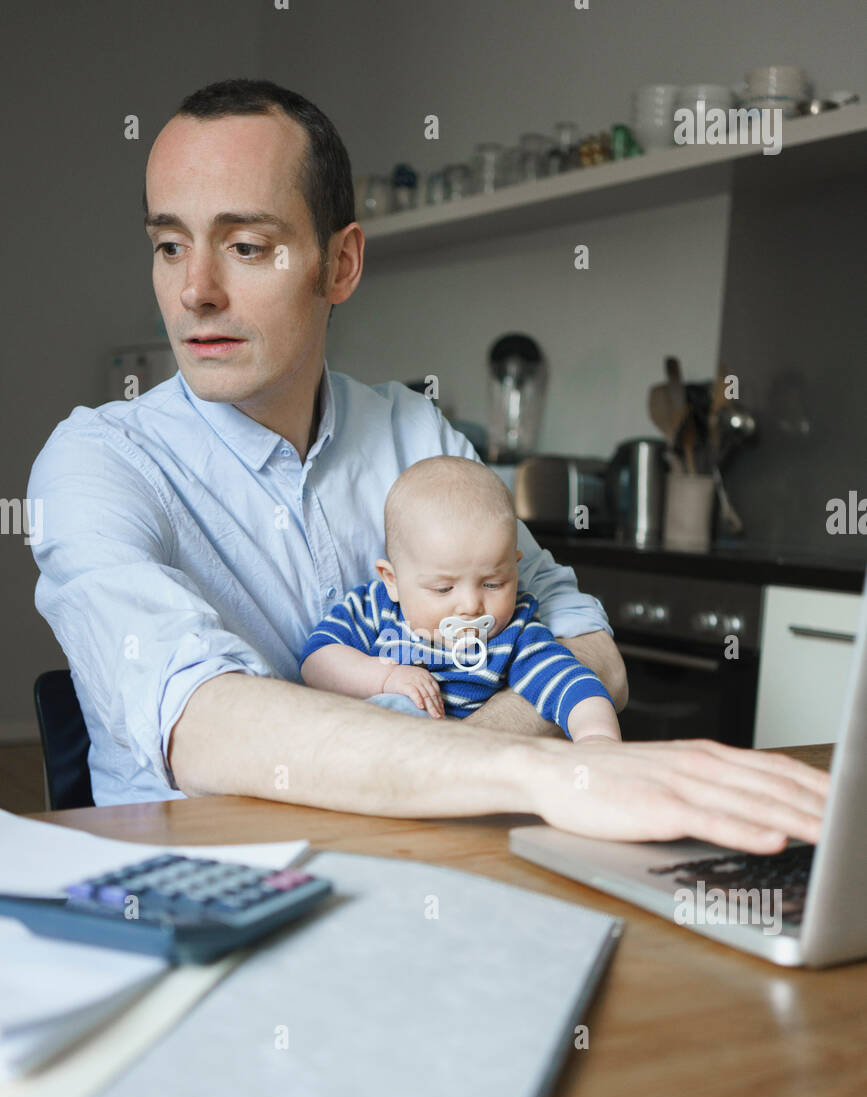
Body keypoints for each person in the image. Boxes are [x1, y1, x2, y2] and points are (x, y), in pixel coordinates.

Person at [26, 78, 828, 851]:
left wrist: (455, 767)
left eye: (245, 246)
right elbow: (200, 722)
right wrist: (536, 768)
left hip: (432, 865)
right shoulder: (97, 462)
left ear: (339, 265)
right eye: (169, 245)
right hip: (198, 887)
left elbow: (591, 653)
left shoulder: (415, 430)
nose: (194, 290)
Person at [301, 456, 622, 744]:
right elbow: (316, 661)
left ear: (515, 566)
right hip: (369, 755)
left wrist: (597, 738)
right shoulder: (375, 609)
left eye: (493, 583)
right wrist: (385, 677)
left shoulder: (514, 634)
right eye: (443, 589)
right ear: (393, 581)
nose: (470, 605)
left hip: (463, 772)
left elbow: (571, 683)